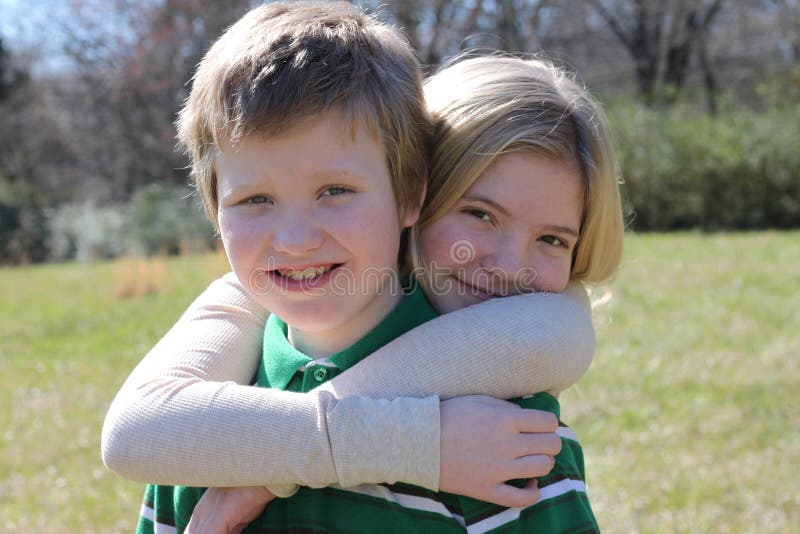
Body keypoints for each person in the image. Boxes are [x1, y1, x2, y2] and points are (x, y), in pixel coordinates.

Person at [100, 2, 623, 532]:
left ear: (409, 194)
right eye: (480, 214)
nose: (297, 239)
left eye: (336, 191)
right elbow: (136, 433)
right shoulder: (203, 429)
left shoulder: (503, 437)